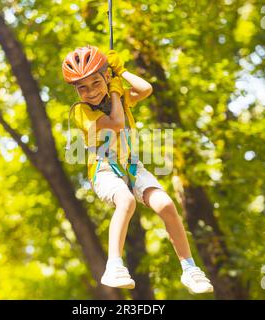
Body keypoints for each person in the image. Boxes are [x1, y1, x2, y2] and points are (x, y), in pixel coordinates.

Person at [62, 45, 213, 294]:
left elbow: (145, 89)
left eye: (95, 82)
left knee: (166, 205)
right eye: (82, 87)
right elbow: (117, 123)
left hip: (132, 164)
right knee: (125, 200)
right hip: (104, 169)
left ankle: (189, 268)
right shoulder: (81, 111)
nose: (90, 91)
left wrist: (120, 72)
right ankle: (114, 265)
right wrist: (113, 89)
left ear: (106, 76)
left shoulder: (118, 96)